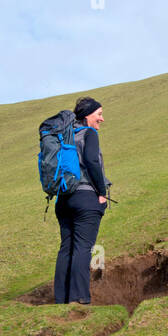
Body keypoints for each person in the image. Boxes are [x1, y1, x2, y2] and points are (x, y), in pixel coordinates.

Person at [53, 97, 111, 304]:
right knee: (83, 248)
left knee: (66, 247)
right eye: (99, 114)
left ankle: (61, 298)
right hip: (86, 197)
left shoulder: (64, 137)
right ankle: (79, 298)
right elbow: (92, 161)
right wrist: (102, 192)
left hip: (63, 199)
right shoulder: (89, 133)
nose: (102, 119)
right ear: (88, 116)